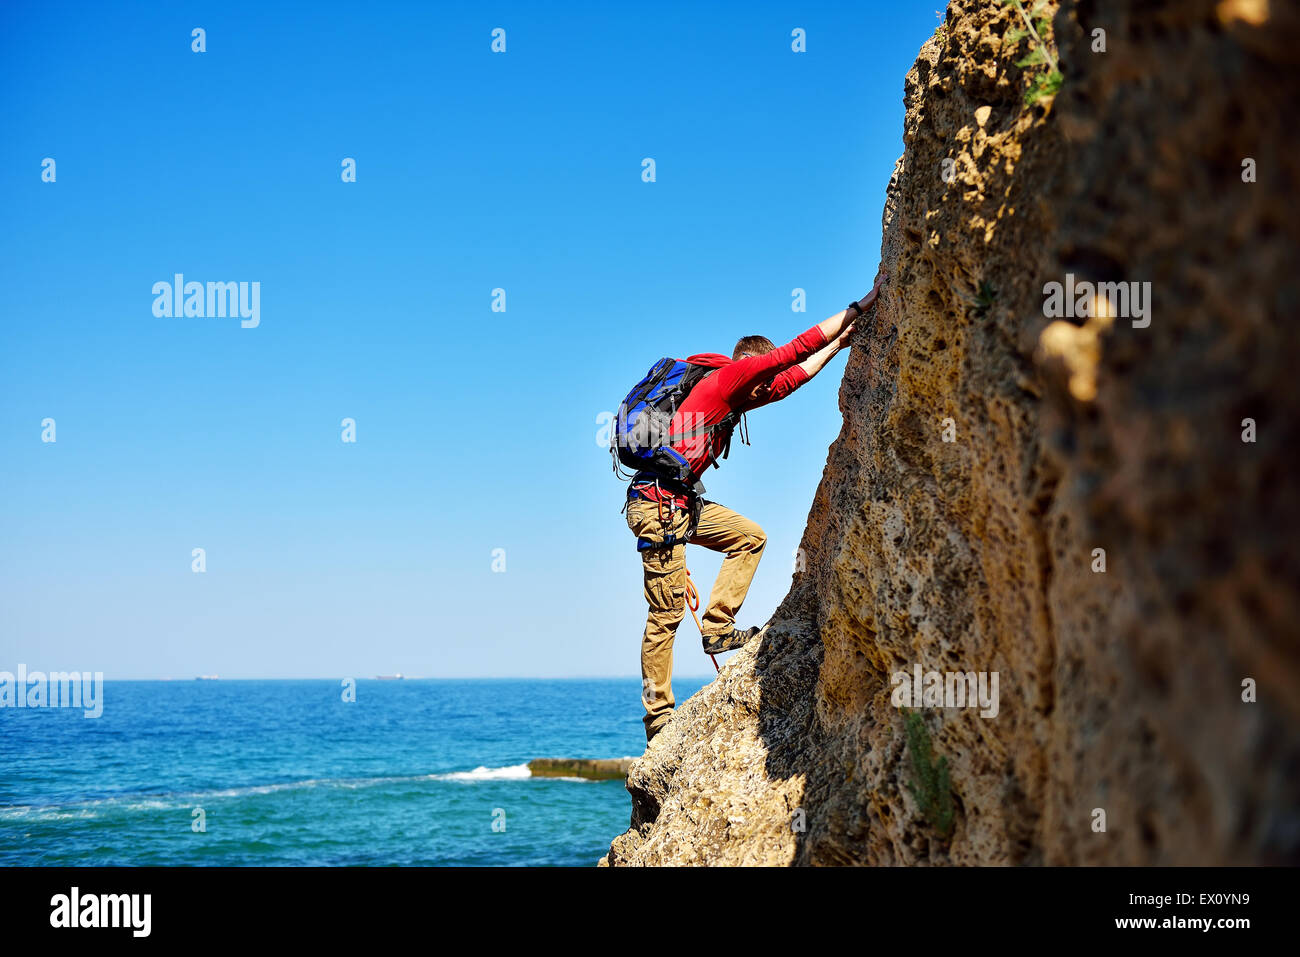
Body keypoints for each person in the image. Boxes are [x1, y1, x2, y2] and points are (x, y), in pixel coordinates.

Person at [626, 273, 885, 742]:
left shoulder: (737, 399)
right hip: (658, 505)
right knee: (664, 616)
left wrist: (842, 345)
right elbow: (792, 353)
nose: (766, 386)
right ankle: (658, 717)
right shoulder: (730, 379)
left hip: (679, 505)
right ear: (750, 366)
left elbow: (791, 379)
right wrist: (863, 304)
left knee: (750, 536)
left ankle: (717, 627)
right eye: (761, 374)